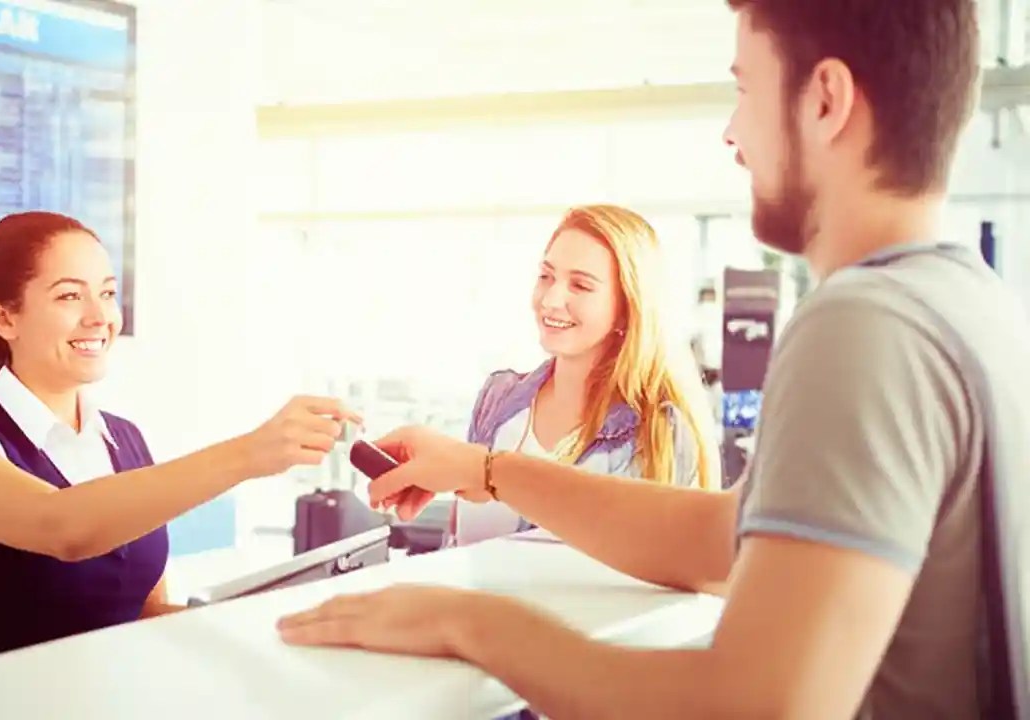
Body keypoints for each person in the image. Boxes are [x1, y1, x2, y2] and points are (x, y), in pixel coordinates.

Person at [278, 2, 1029, 718]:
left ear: (826, 99)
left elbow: (755, 706)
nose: (732, 134)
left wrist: (470, 625)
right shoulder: (969, 305)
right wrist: (480, 470)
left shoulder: (866, 325)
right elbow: (722, 541)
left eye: (745, 89)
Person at [0, 211, 358, 668]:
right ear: (4, 318)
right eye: (69, 295)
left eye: (106, 293)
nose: (100, 316)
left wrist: (264, 623)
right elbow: (61, 526)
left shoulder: (124, 439)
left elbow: (141, 612)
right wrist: (249, 453)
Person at [451, 204, 720, 546]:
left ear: (627, 307)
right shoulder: (498, 397)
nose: (550, 299)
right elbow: (456, 547)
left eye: (580, 285)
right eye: (546, 276)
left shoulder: (657, 431)